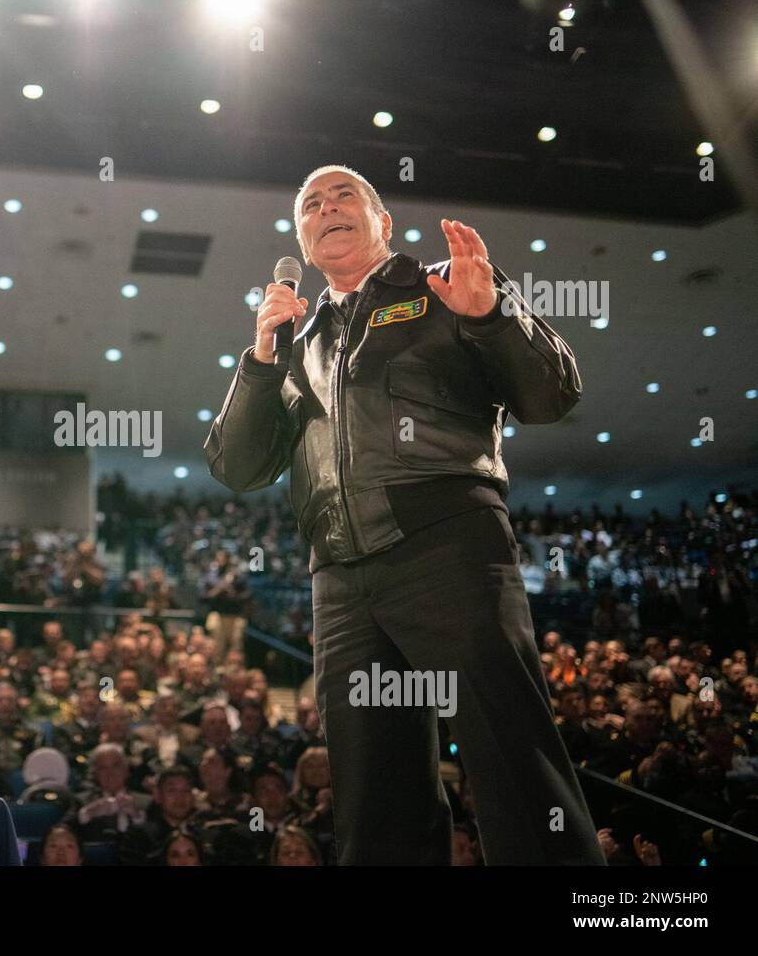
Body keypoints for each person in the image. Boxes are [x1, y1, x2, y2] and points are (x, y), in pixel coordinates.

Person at [204, 163, 603, 865]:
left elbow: (553, 395)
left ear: (383, 222)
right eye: (311, 204)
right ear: (302, 235)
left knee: (511, 755)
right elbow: (237, 467)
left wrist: (490, 315)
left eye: (343, 196)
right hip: (340, 577)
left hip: (448, 545)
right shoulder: (297, 342)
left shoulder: (445, 287)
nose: (326, 208)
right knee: (373, 791)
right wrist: (262, 355)